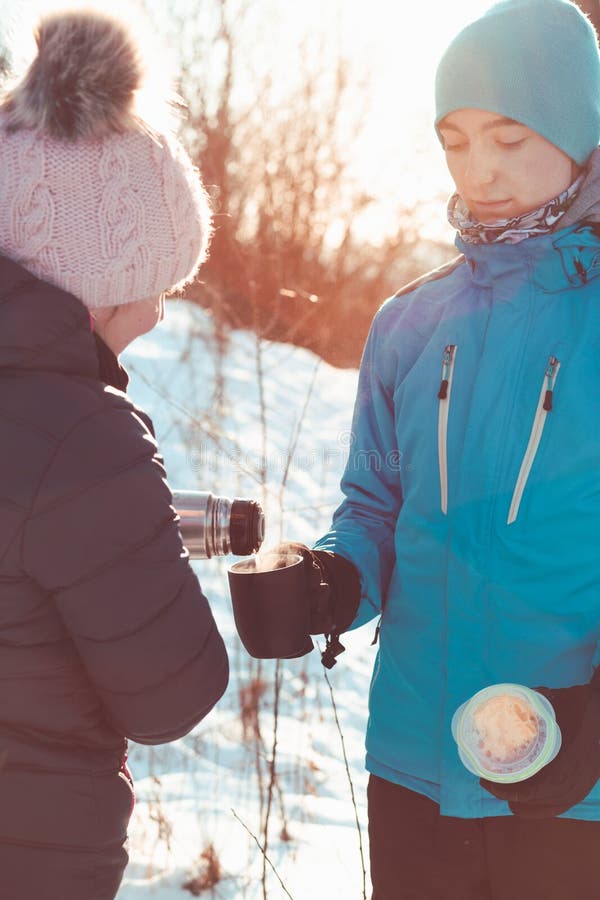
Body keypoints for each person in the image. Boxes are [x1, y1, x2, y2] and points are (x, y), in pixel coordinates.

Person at [279, 1, 600, 897]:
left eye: (508, 138)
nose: (477, 170)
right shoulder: (409, 322)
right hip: (415, 763)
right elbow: (374, 505)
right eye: (454, 141)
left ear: (579, 133)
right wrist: (334, 579)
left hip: (574, 775)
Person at [0, 10, 228, 900]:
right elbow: (173, 694)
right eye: (154, 286)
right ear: (93, 287)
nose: (162, 312)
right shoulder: (83, 437)